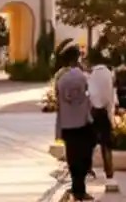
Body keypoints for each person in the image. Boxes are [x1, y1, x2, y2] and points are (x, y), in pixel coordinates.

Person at [54, 41, 95, 201]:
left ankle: (77, 188)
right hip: (82, 123)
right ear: (76, 58)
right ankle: (80, 189)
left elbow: (58, 98)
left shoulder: (60, 78)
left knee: (73, 157)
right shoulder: (82, 76)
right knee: (84, 156)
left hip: (66, 123)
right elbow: (89, 95)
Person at [88, 55, 119, 193]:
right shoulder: (108, 74)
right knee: (106, 145)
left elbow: (89, 95)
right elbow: (110, 98)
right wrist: (111, 117)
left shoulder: (93, 75)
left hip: (93, 113)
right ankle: (109, 172)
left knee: (89, 144)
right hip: (104, 114)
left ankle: (88, 169)